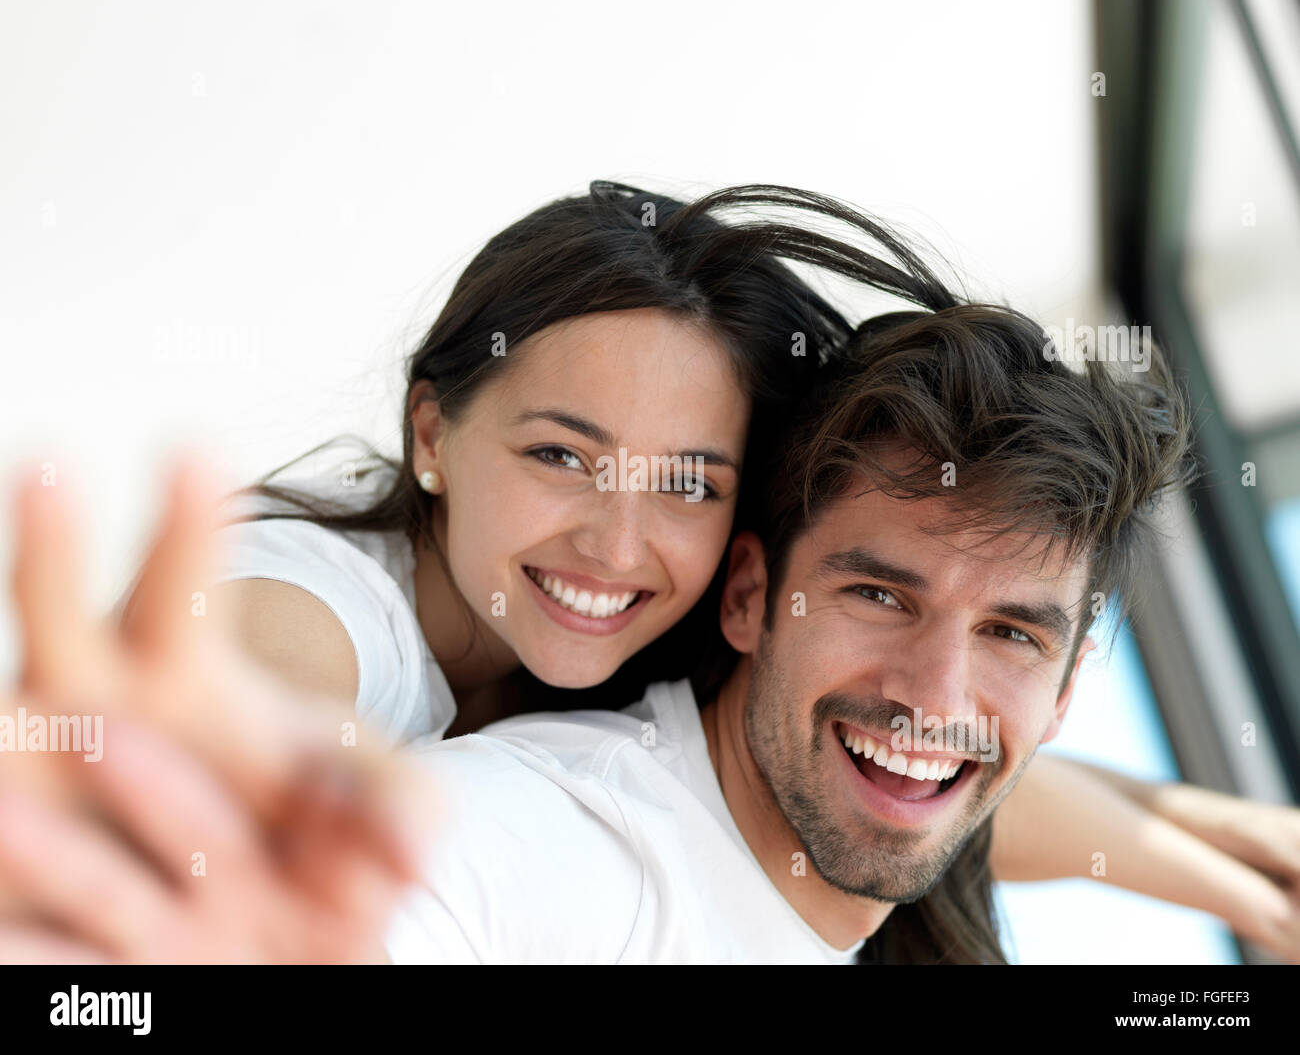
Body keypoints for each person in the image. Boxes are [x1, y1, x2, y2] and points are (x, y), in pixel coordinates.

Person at [3, 266, 1298, 963]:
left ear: (1064, 692)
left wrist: (1243, 854)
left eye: (1013, 632)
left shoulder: (853, 815)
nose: (933, 689)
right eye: (875, 591)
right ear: (748, 596)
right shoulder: (540, 832)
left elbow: (990, 786)